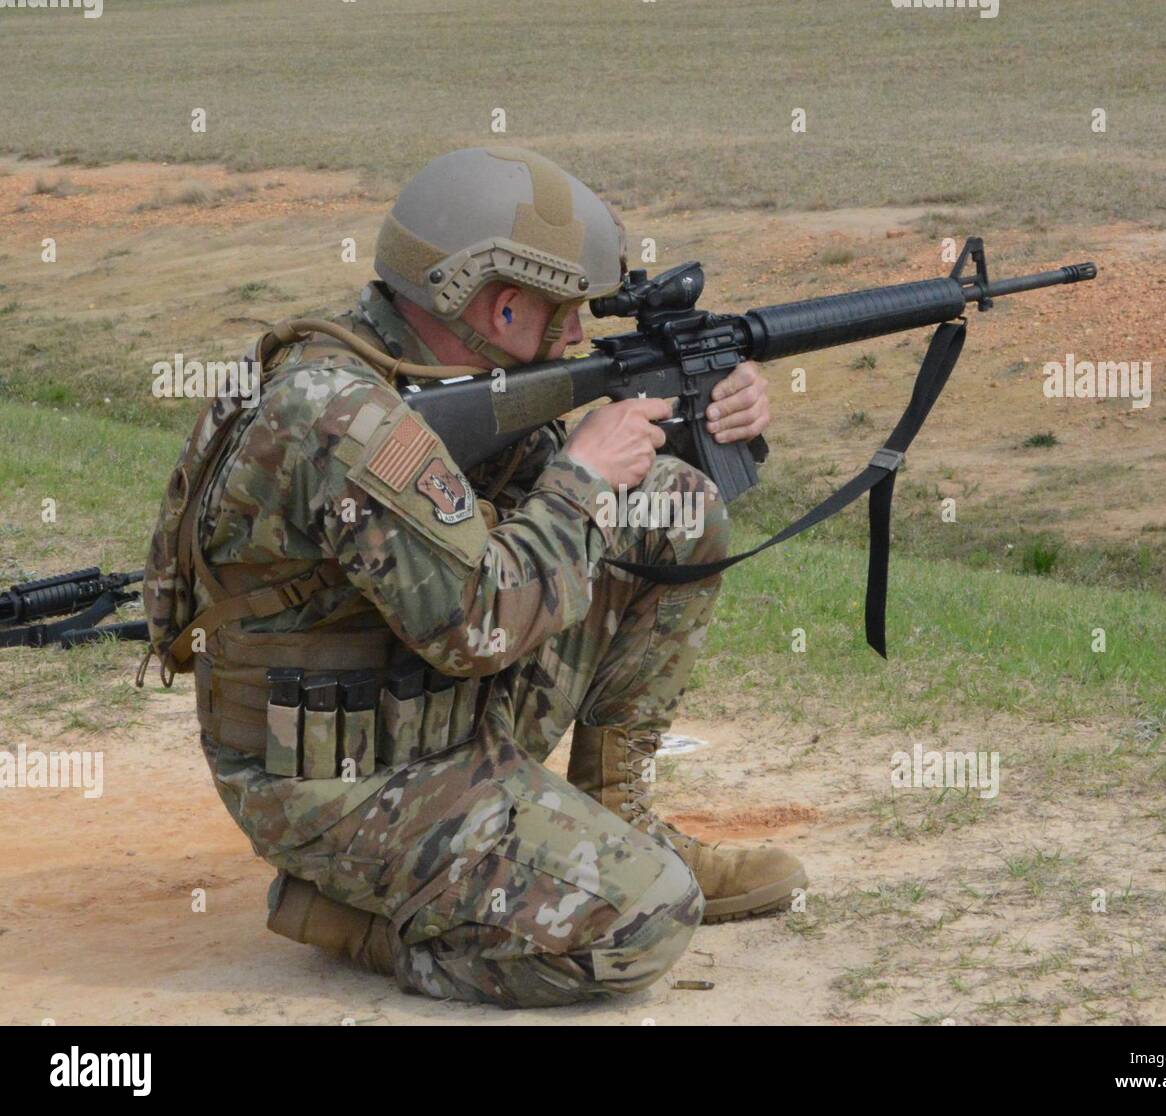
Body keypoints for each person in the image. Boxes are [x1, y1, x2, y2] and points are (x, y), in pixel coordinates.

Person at [144, 146, 806, 1008]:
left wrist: (701, 415)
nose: (578, 337)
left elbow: (531, 507)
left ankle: (616, 811)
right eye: (566, 313)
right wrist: (585, 479)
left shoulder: (416, 372)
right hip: (332, 781)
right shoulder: (343, 415)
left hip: (413, 716)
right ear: (499, 305)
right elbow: (473, 622)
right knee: (645, 919)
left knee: (674, 506)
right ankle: (359, 926)